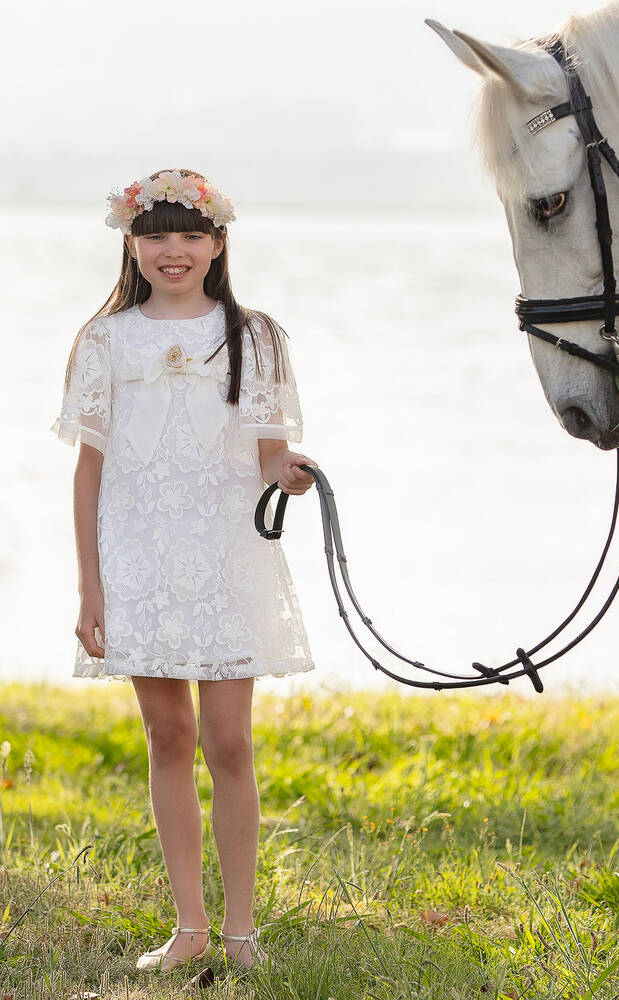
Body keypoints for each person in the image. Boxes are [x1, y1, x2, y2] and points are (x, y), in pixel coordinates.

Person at [52, 168, 316, 971]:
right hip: (136, 557)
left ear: (218, 244)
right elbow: (89, 471)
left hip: (225, 556)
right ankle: (189, 926)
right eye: (157, 235)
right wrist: (90, 586)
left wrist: (290, 473)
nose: (174, 250)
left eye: (191, 235)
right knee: (167, 735)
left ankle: (241, 933)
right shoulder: (105, 340)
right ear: (131, 244)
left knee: (228, 741)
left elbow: (267, 454)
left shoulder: (256, 336)